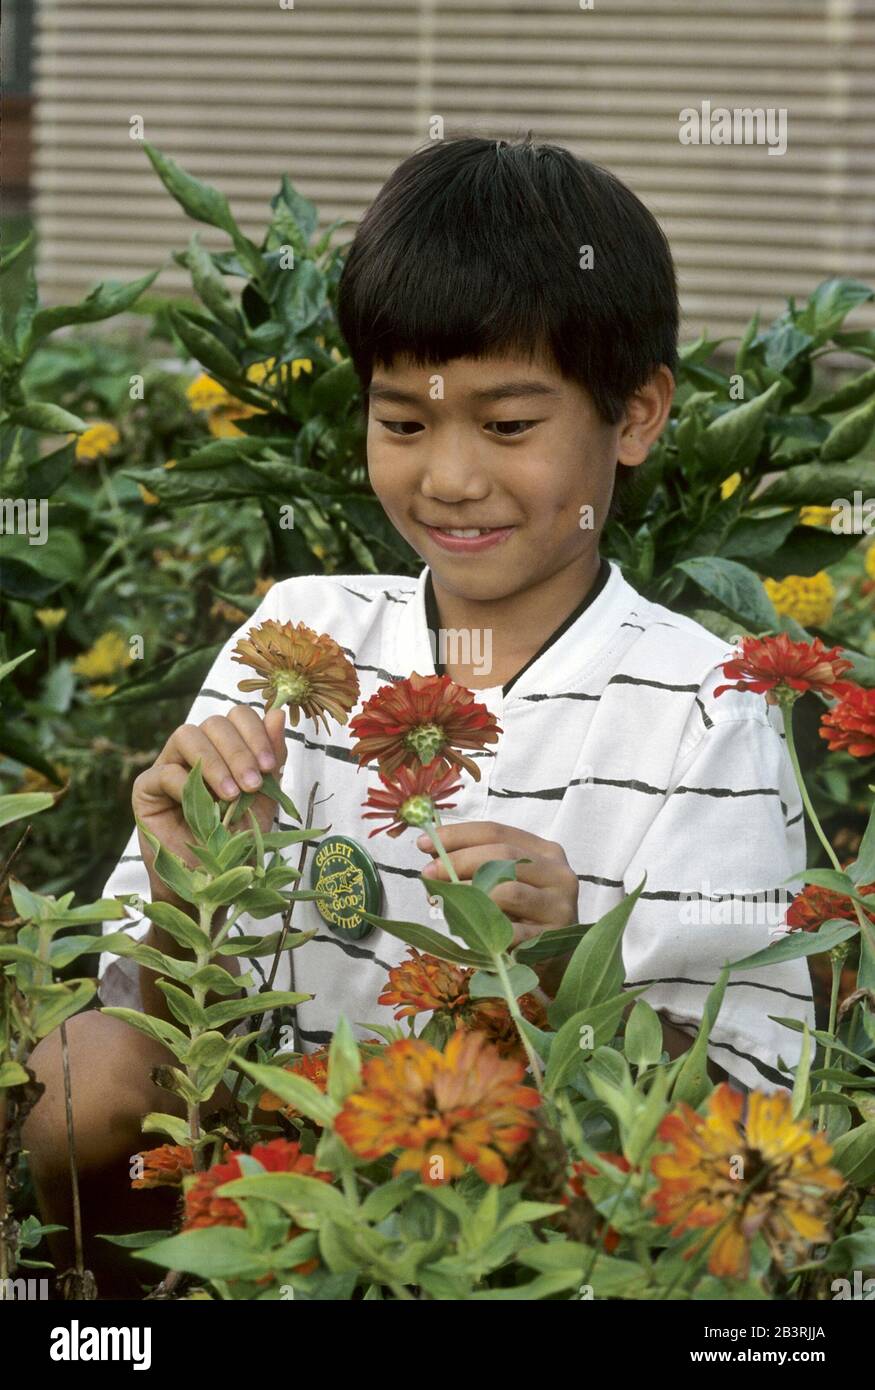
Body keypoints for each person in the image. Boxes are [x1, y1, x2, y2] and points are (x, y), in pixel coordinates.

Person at [23, 136, 813, 1295]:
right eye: (402, 422)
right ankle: (108, 1316)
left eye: (504, 426)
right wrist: (191, 875)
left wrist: (555, 977)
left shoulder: (703, 706)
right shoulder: (302, 634)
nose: (446, 477)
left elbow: (752, 1093)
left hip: (533, 1207)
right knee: (76, 1071)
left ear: (636, 417)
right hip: (272, 1162)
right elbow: (155, 1008)